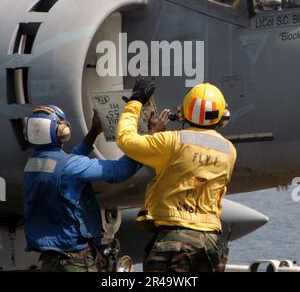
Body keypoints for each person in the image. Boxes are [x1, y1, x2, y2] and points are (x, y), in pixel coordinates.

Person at [116, 79, 237, 272]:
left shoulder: (171, 142)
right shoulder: (229, 151)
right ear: (222, 116)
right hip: (211, 243)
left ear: (182, 113)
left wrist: (135, 102)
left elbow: (125, 140)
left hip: (174, 241)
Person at [23, 105, 141, 272]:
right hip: (75, 260)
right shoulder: (69, 167)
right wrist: (147, 142)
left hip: (51, 259)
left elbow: (68, 164)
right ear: (62, 131)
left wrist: (93, 133)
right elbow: (120, 171)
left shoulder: (33, 164)